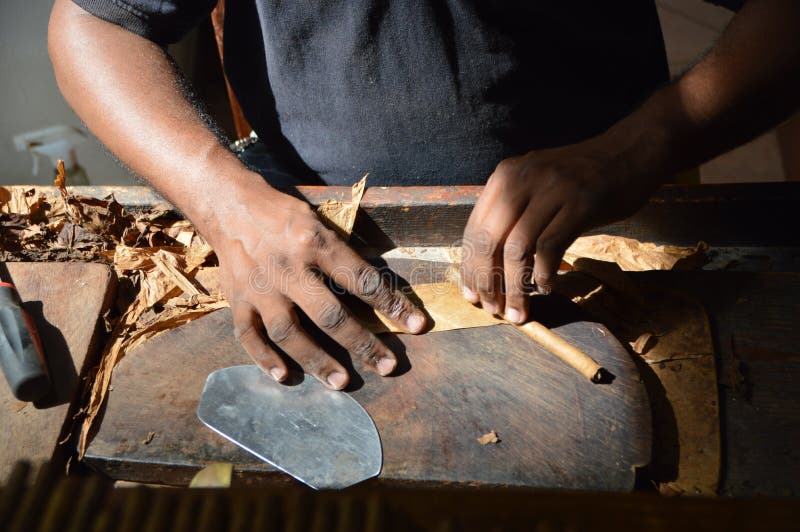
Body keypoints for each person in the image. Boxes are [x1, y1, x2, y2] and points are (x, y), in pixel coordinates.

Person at [49, 0, 799, 390]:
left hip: (609, 207)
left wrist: (637, 150)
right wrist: (222, 198)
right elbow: (90, 21)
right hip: (305, 227)